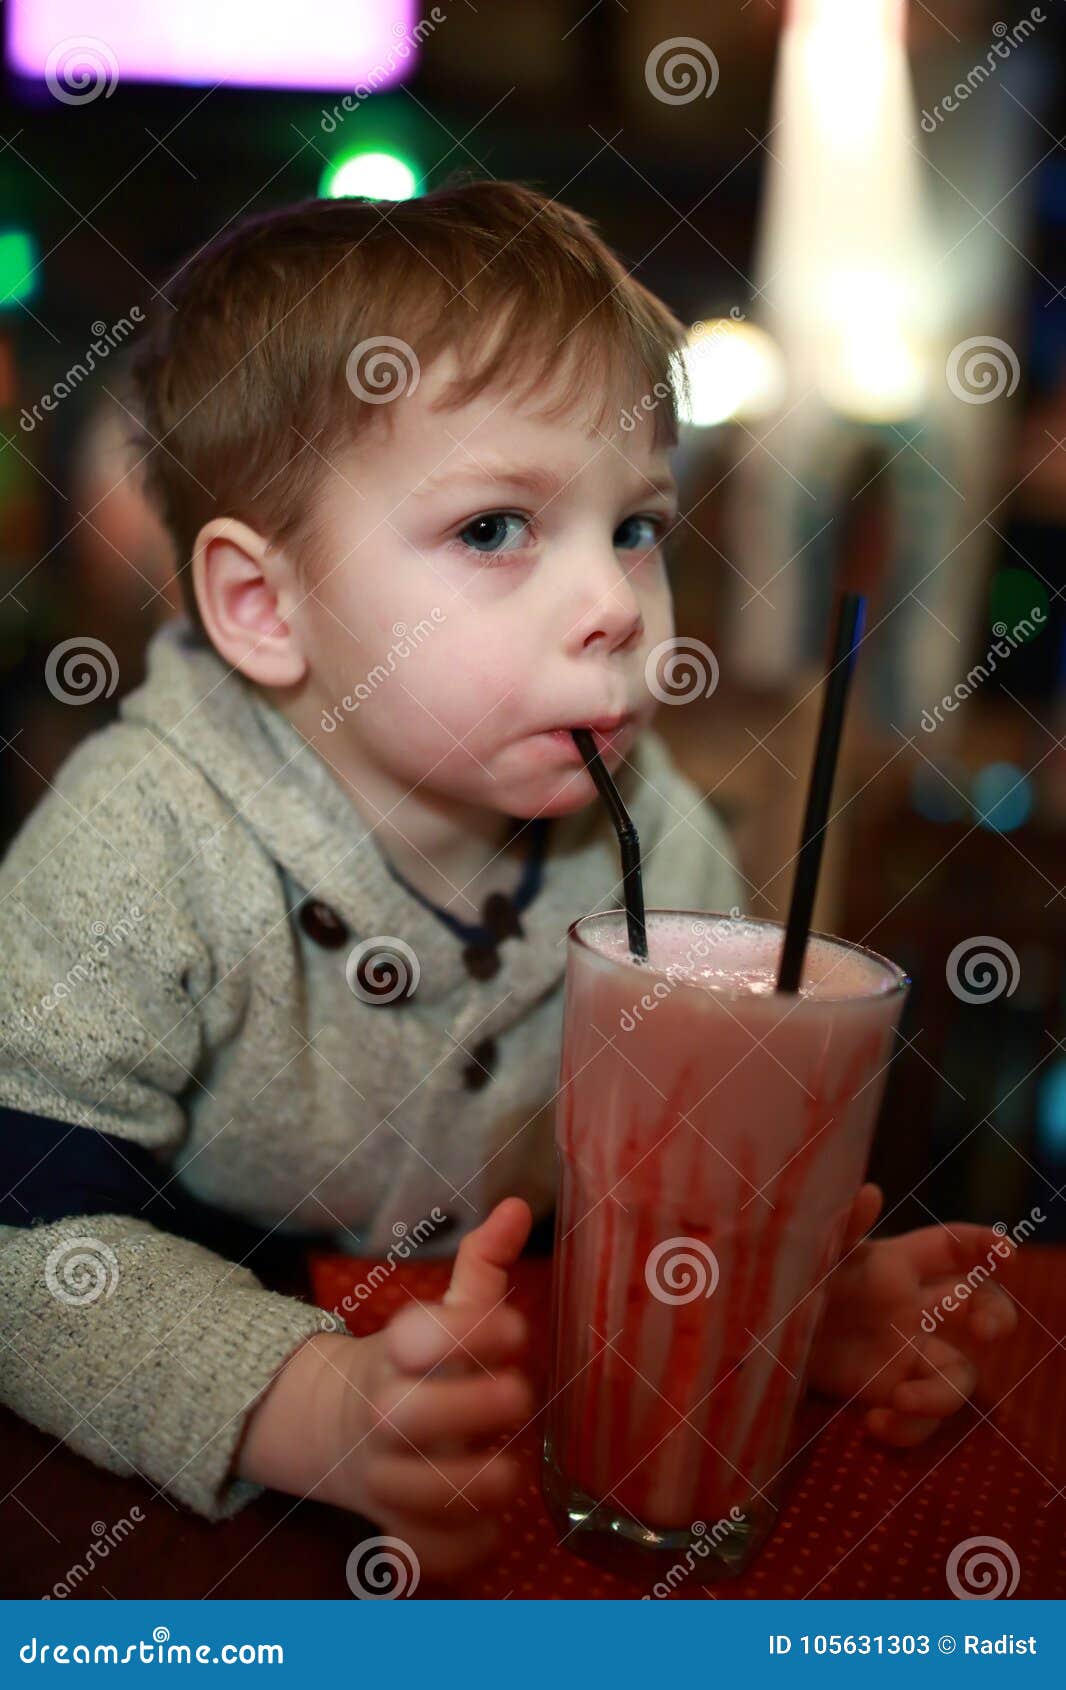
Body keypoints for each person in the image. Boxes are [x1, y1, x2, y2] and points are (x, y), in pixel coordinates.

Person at [0, 182, 1016, 1583]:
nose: (615, 606)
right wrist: (303, 1400)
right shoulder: (143, 838)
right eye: (493, 528)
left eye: (636, 526)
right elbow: (24, 1249)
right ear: (264, 605)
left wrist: (793, 1309)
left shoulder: (661, 838)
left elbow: (676, 1198)